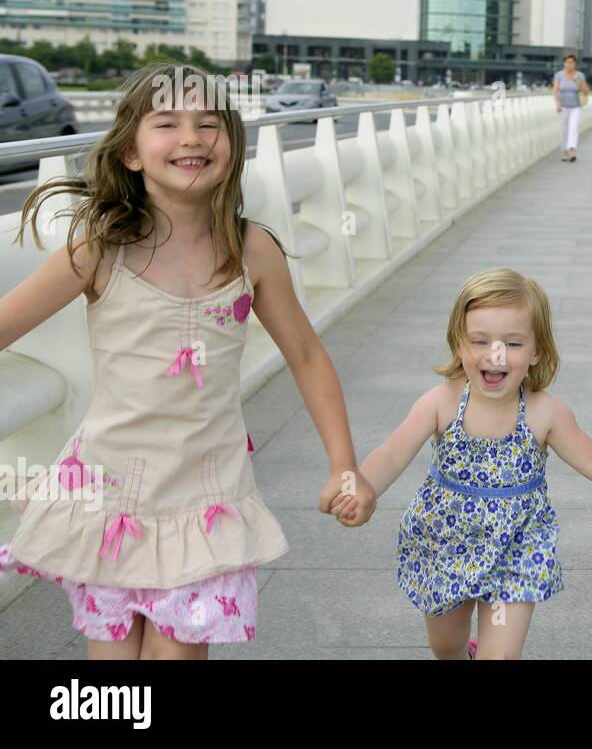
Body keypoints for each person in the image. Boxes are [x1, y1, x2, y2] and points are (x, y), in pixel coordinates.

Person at [0, 62, 374, 659]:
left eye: (209, 123)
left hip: (205, 504)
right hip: (108, 500)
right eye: (167, 123)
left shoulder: (252, 250)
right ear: (130, 152)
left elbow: (305, 355)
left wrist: (344, 465)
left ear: (233, 141)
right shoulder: (101, 248)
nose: (192, 137)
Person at [329, 268, 592, 659]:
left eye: (512, 343)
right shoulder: (441, 403)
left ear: (537, 350)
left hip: (517, 546)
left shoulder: (545, 414)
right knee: (446, 646)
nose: (495, 355)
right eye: (479, 341)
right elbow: (392, 452)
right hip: (446, 540)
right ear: (459, 344)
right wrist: (363, 485)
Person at [551, 54, 589, 163]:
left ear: (575, 63)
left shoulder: (580, 75)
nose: (569, 64)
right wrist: (557, 103)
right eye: (567, 62)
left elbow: (586, 91)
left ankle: (572, 151)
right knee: (564, 130)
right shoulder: (559, 75)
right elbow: (555, 90)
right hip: (562, 106)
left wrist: (577, 82)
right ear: (564, 63)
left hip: (575, 106)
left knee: (573, 128)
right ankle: (565, 152)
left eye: (572, 62)